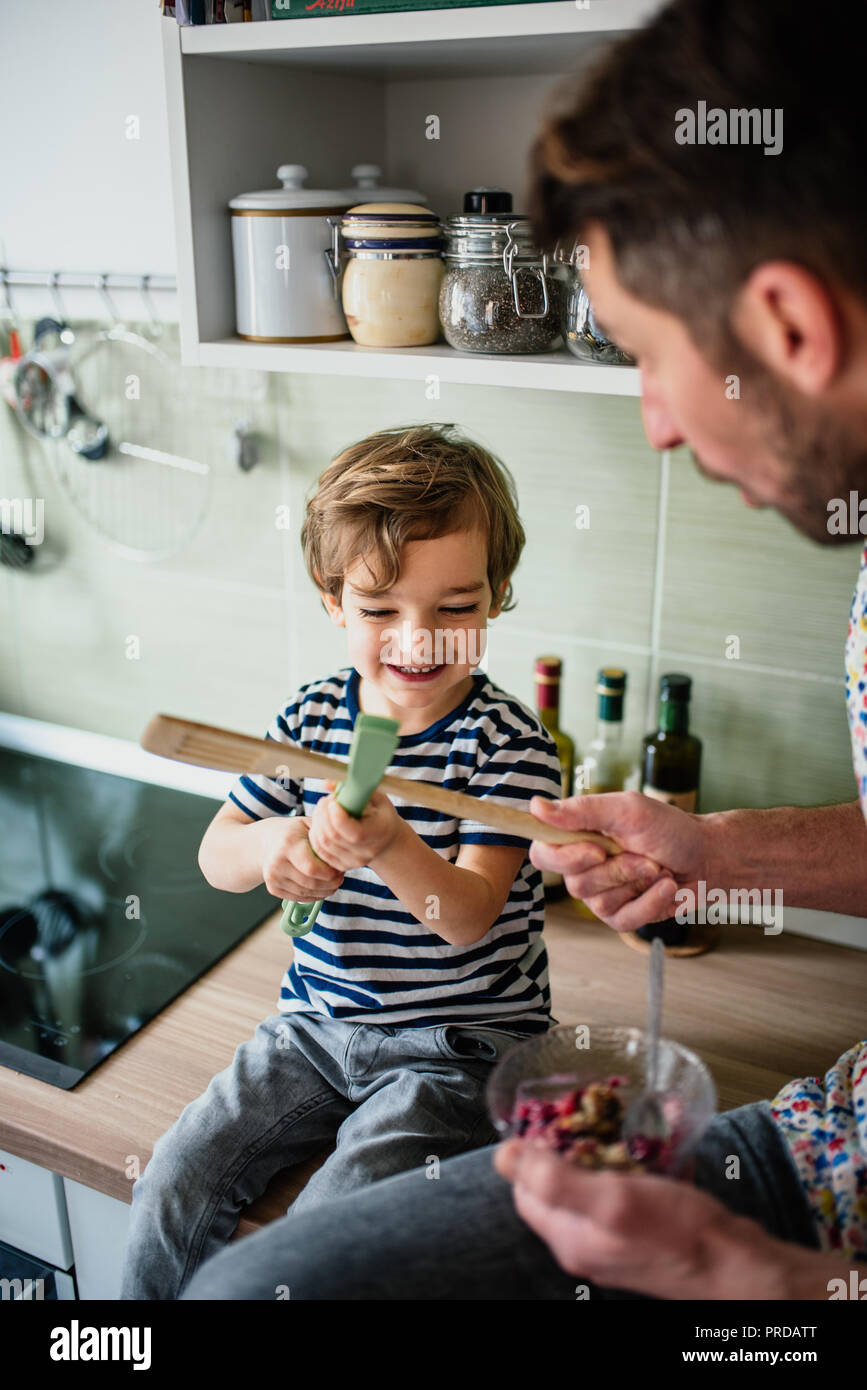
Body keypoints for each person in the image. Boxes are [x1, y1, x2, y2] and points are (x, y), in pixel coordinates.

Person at [178, 0, 867, 1300]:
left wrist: (770, 1292)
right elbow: (234, 849)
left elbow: (466, 914)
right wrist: (723, 856)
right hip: (832, 1132)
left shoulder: (496, 733)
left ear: (785, 327)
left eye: (650, 357)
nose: (654, 424)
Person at [119, 423, 563, 1299]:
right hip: (313, 1027)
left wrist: (393, 844)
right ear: (332, 600)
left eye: (455, 607)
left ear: (498, 595)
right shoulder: (310, 719)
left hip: (454, 1051)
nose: (419, 639)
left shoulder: (509, 747)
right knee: (171, 1180)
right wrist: (273, 848)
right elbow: (218, 856)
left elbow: (467, 918)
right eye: (379, 609)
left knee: (327, 1230)